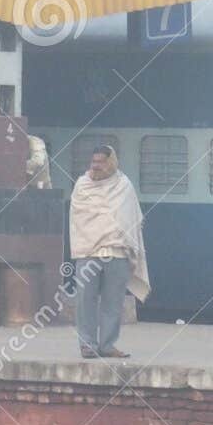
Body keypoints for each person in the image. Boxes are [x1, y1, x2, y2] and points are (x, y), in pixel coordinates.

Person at [69, 145, 150, 359]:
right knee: (85, 301)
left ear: (111, 163)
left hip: (118, 253)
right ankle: (87, 345)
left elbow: (131, 219)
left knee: (113, 302)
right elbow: (80, 218)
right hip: (88, 252)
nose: (95, 166)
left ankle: (107, 345)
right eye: (93, 161)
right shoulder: (82, 186)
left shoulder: (124, 186)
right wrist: (107, 228)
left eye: (100, 162)